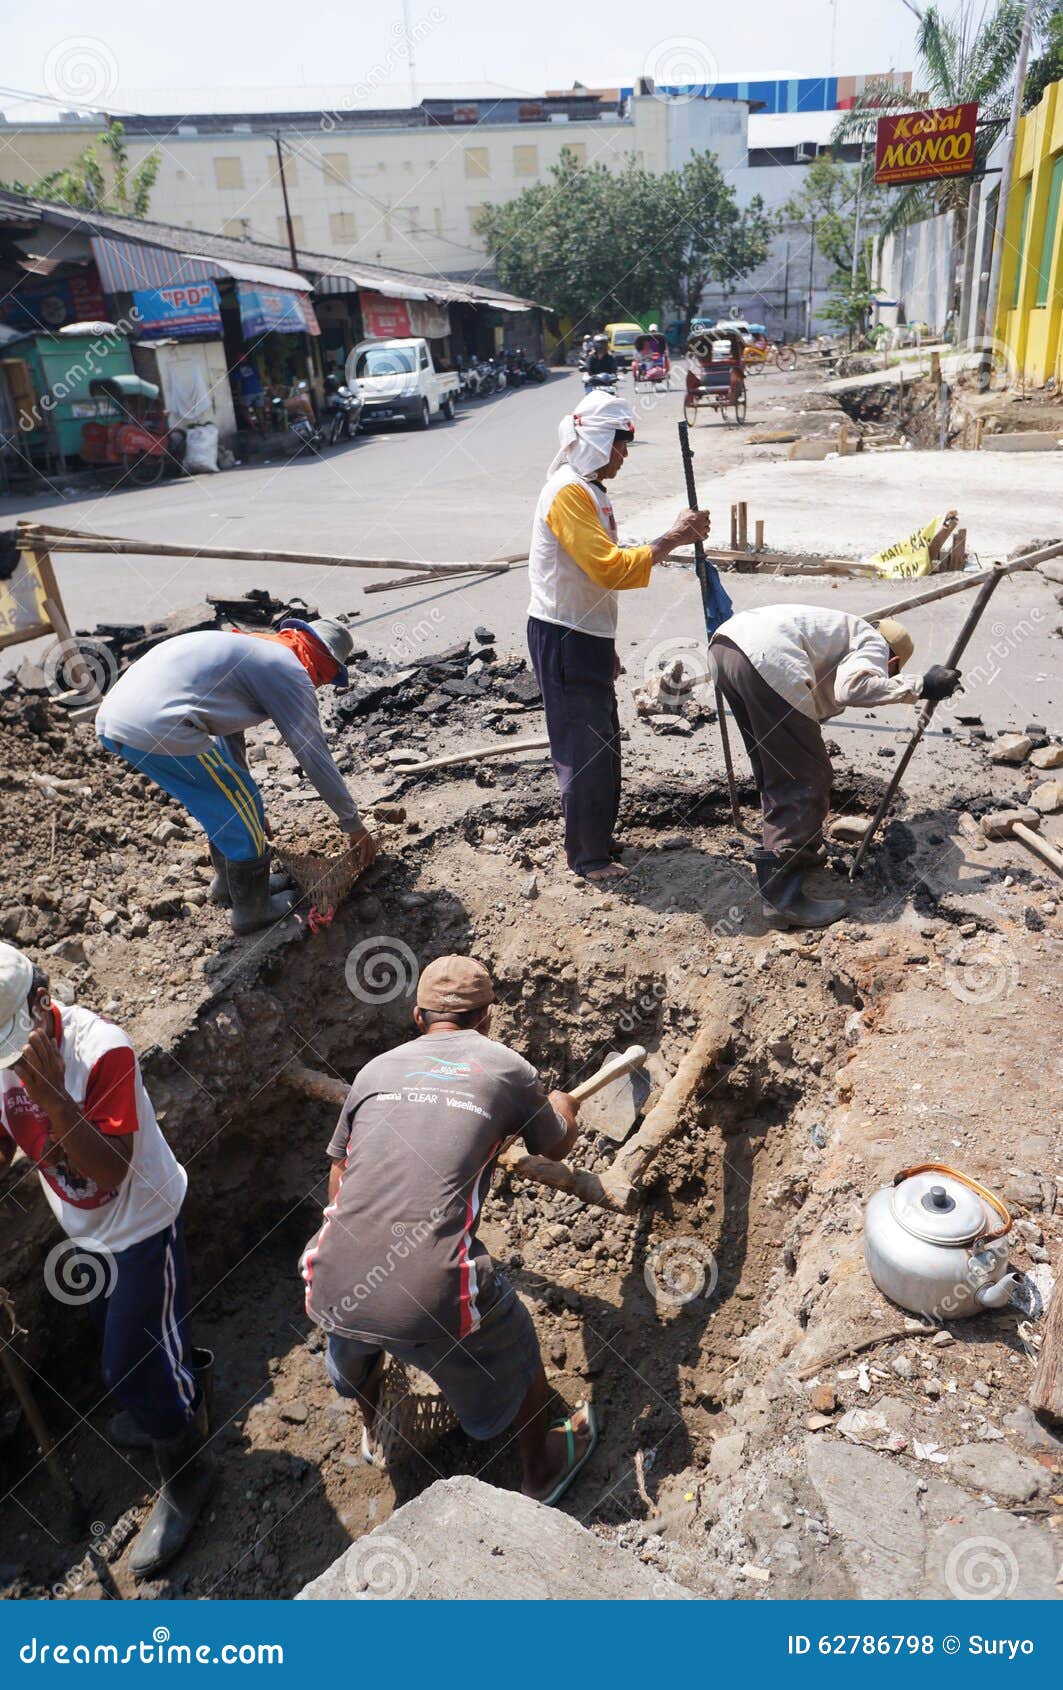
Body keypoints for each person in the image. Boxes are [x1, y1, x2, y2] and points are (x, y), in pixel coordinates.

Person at [301, 955, 598, 1505]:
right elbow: (554, 1145)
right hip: (429, 1288)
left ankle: (375, 1426)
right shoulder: (508, 1068)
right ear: (487, 1018)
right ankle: (543, 1468)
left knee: (358, 1330)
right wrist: (560, 1107)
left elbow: (339, 1178)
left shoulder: (375, 1070)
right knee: (516, 1346)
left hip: (329, 1275)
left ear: (417, 1016)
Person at [0, 943, 212, 1580]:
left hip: (142, 1221)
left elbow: (112, 1171)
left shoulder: (101, 1050)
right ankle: (181, 1396)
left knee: (128, 1362)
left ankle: (190, 1472)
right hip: (86, 1231)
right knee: (127, 1336)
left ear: (44, 1004)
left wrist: (55, 1101)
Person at [526, 388, 709, 882]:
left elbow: (593, 574)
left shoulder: (588, 492)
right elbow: (609, 570)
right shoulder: (567, 493)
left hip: (583, 635)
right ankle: (588, 857)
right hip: (564, 636)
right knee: (583, 750)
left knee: (603, 743)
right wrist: (672, 537)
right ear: (595, 441)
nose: (624, 455)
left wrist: (603, 647)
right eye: (619, 444)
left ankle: (598, 840)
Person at [95, 619, 376, 935]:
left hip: (118, 718)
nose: (319, 686)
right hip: (155, 725)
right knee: (241, 808)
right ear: (321, 663)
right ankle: (252, 911)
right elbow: (313, 755)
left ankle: (228, 886)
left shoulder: (256, 649)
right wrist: (352, 823)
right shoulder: (290, 669)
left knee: (229, 802)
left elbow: (228, 730)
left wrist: (242, 795)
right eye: (324, 679)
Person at [709, 604, 962, 928]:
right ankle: (781, 900)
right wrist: (921, 685)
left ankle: (800, 849)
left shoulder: (841, 630)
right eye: (889, 672)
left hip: (725, 648)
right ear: (893, 661)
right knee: (805, 777)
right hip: (766, 660)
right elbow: (851, 688)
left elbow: (827, 691)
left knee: (774, 765)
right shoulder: (873, 643)